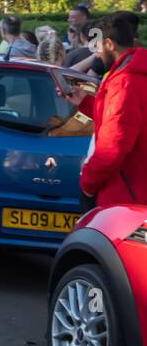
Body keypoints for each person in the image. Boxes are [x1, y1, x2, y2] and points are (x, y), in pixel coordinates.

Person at [62, 12, 147, 209]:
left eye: (97, 48)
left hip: (125, 197)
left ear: (109, 43)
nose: (96, 55)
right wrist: (85, 101)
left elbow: (113, 146)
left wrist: (88, 184)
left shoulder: (125, 81)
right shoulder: (132, 74)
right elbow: (126, 120)